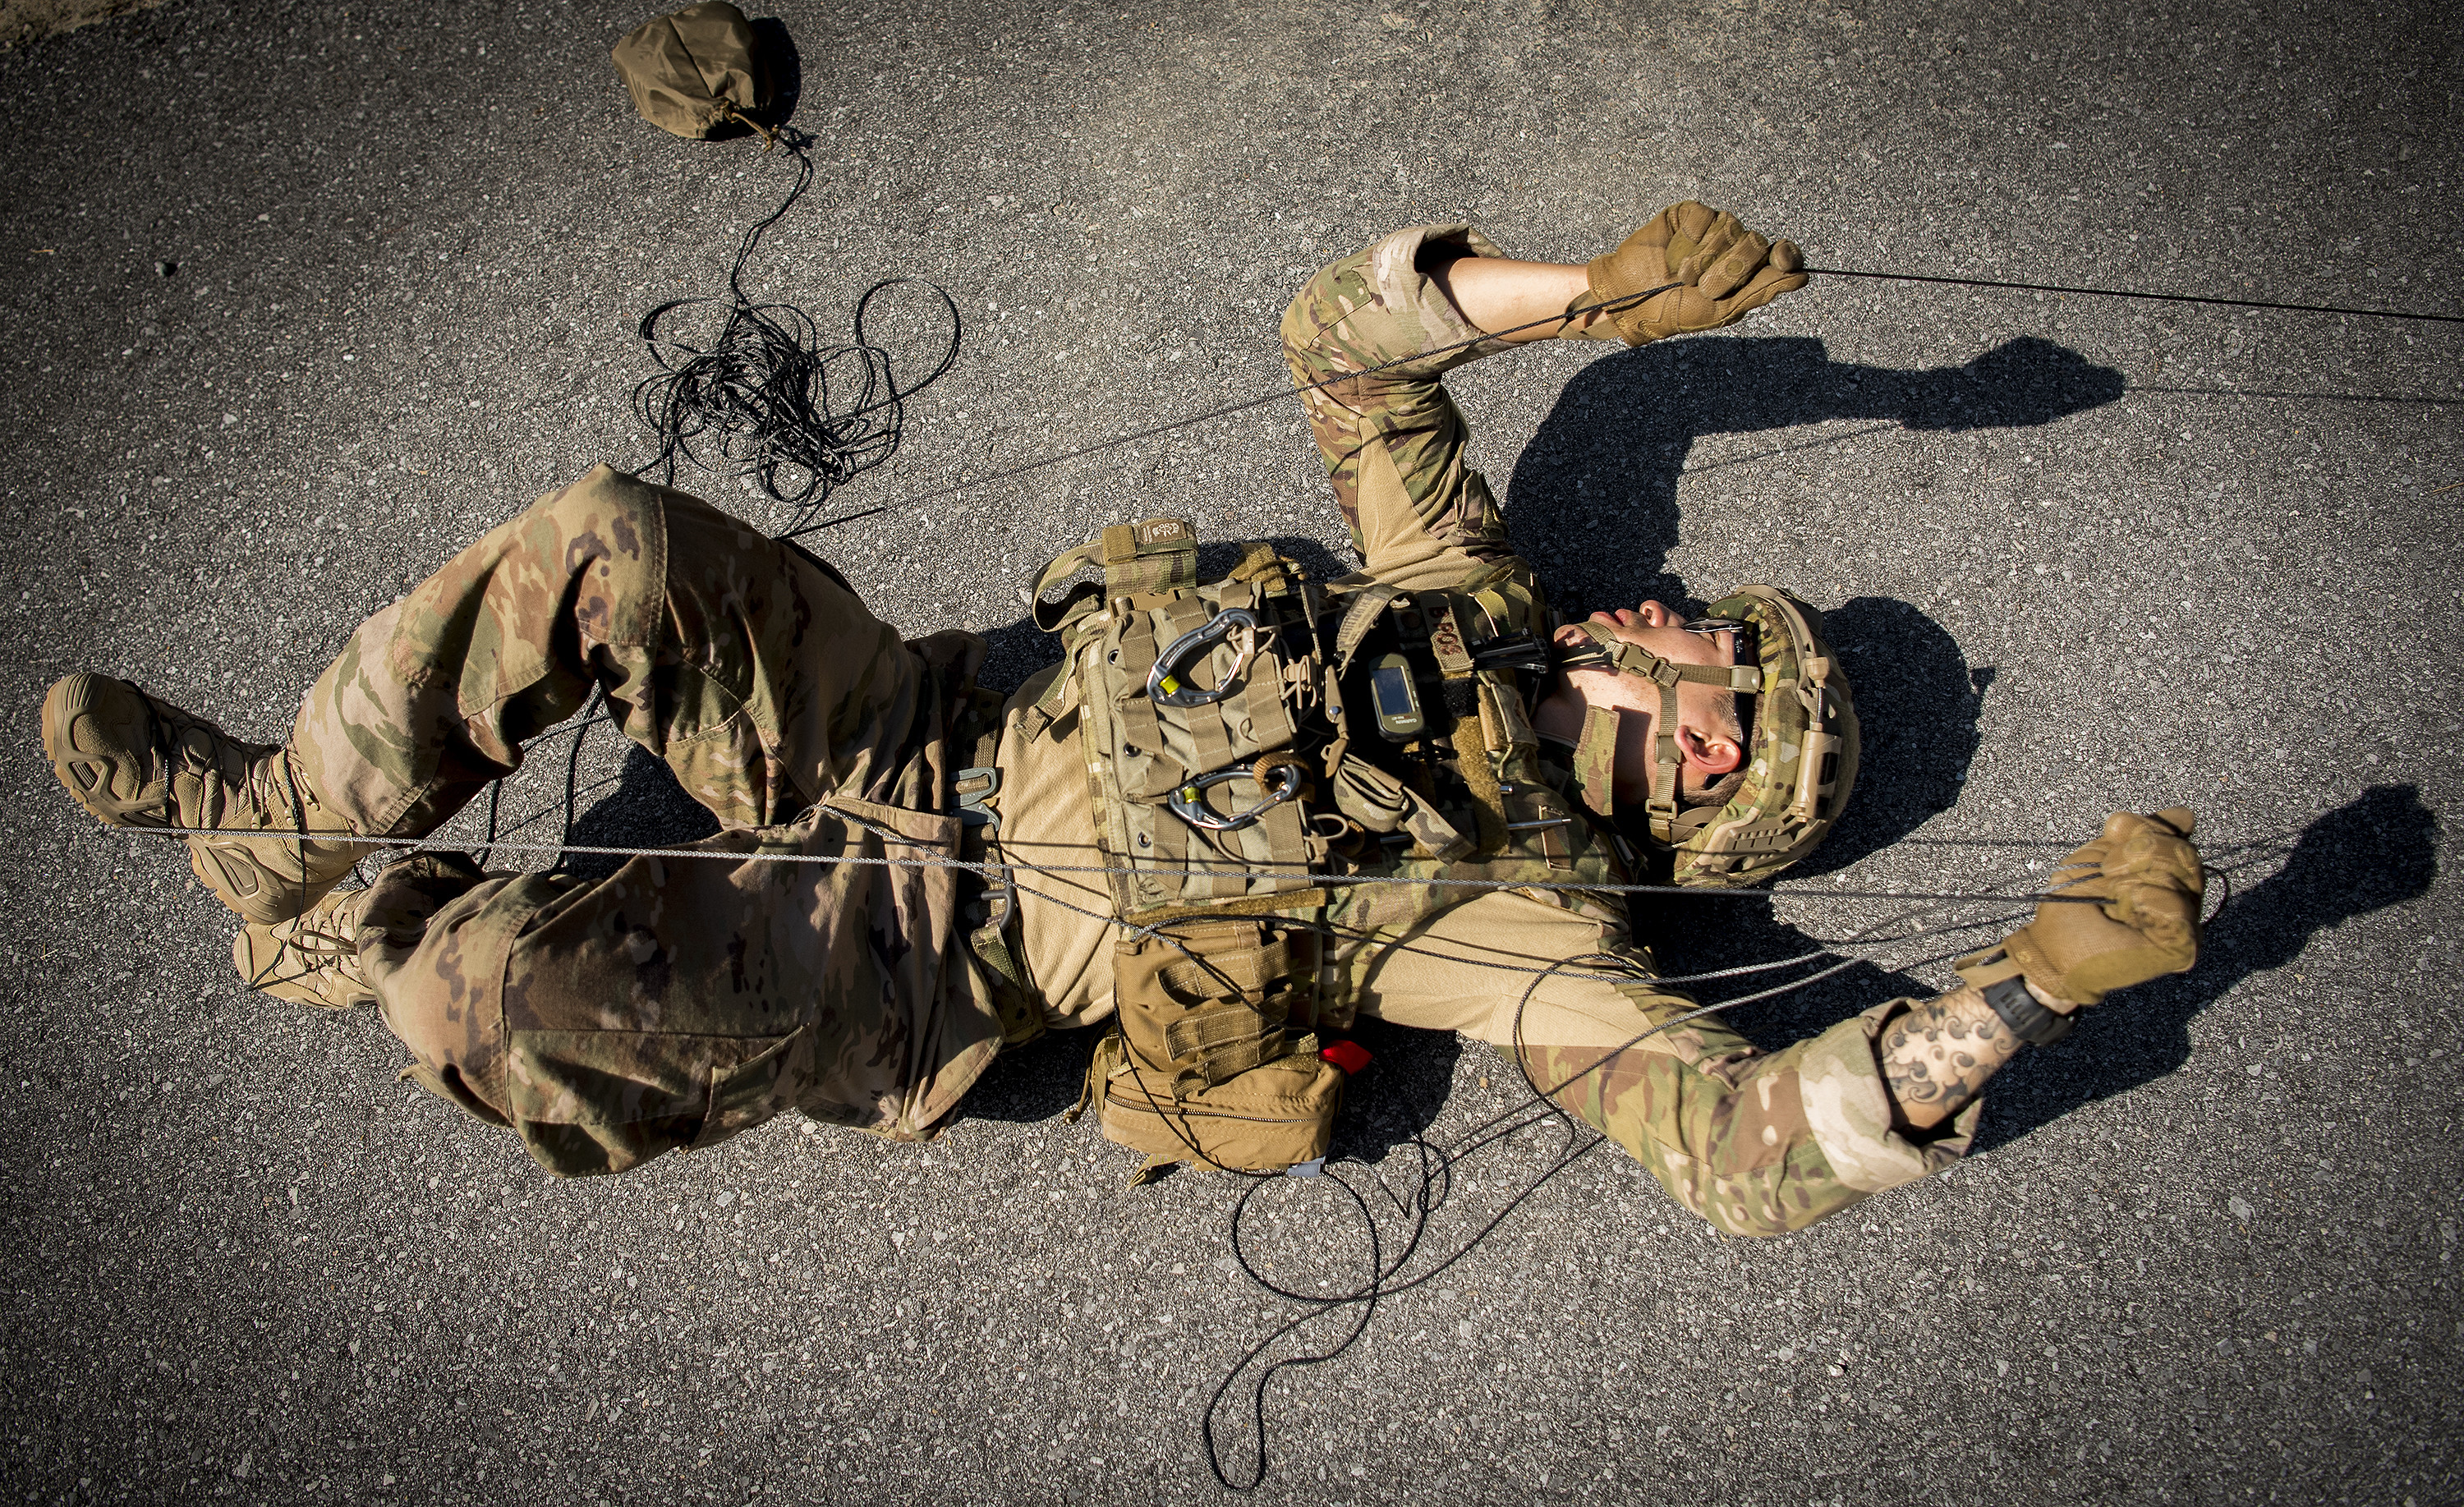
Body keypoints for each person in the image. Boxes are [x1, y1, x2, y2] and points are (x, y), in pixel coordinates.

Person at [39, 204, 2204, 1234]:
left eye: (1713, 651)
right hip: (904, 724)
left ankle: (366, 922)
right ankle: (275, 810)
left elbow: (1743, 1155)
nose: (1663, 611)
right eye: (1705, 603)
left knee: (470, 1002)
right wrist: (1594, 296)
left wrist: (2016, 991)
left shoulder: (1537, 938)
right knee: (611, 537)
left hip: (915, 963)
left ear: (1707, 770)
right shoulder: (1472, 587)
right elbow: (1345, 346)